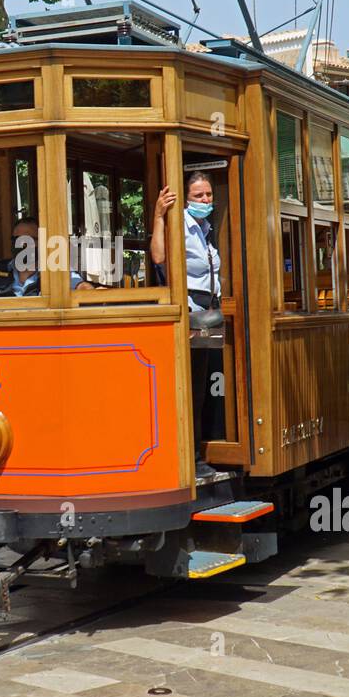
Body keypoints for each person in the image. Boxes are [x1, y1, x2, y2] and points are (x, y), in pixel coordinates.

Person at [152, 171, 224, 478]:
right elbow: (159, 256)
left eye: (208, 195)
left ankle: (204, 450)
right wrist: (158, 215)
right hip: (193, 314)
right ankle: (191, 457)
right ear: (185, 198)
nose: (206, 200)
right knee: (192, 387)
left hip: (211, 314)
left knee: (207, 385)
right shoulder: (178, 223)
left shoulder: (203, 227)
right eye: (199, 195)